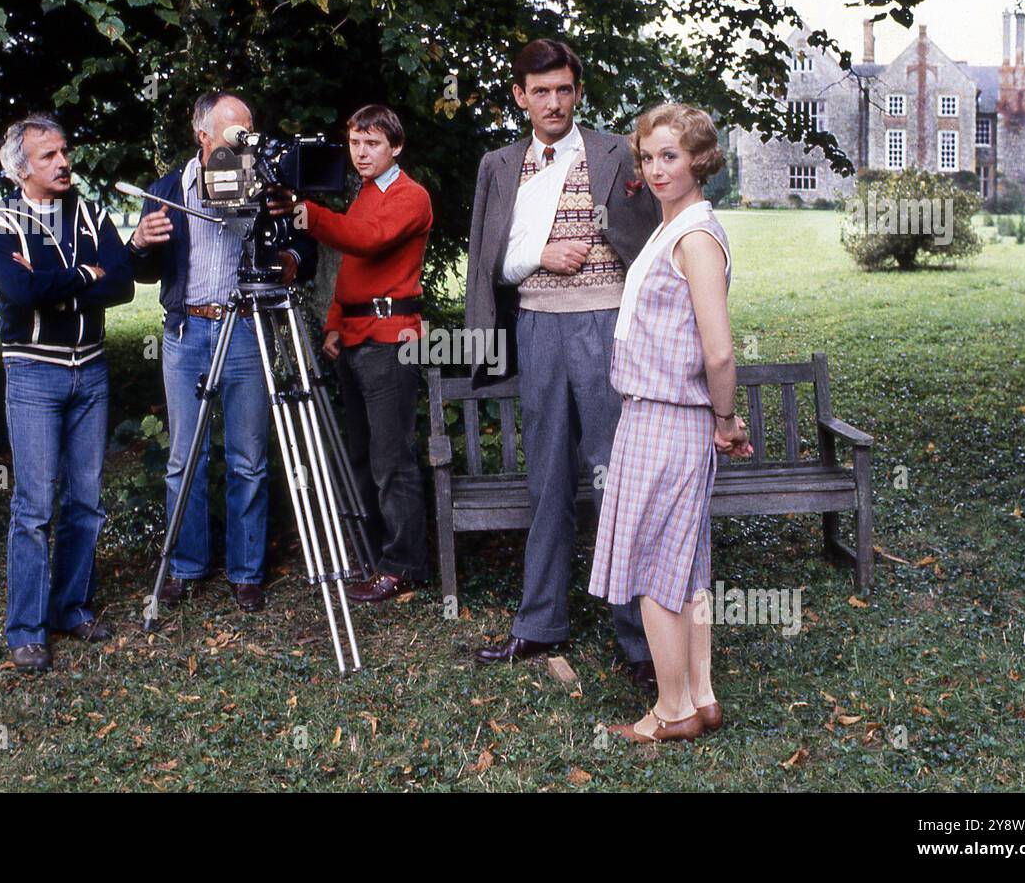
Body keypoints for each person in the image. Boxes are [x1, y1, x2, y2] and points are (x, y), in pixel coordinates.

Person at [464, 38, 659, 686]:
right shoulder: (498, 165)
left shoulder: (616, 152)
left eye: (563, 89)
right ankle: (539, 625)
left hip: (608, 327)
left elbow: (656, 238)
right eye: (539, 91)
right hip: (537, 328)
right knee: (545, 480)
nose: (553, 102)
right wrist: (538, 255)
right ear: (519, 97)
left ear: (579, 93)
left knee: (614, 481)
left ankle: (638, 639)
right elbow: (486, 259)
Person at [588, 103, 751, 742]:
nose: (657, 168)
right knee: (682, 564)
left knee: (657, 568)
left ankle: (672, 711)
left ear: (700, 160)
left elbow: (719, 351)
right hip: (654, 415)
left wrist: (726, 419)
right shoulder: (672, 227)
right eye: (649, 156)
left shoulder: (695, 237)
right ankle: (700, 697)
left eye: (672, 156)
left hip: (668, 418)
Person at [128, 91, 317, 613]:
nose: (245, 142)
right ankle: (185, 566)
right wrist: (140, 242)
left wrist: (287, 255)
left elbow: (306, 249)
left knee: (248, 460)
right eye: (235, 133)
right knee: (184, 458)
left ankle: (247, 571)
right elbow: (140, 271)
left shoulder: (268, 184)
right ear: (203, 135)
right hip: (188, 332)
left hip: (245, 332)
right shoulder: (167, 190)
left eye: (250, 131)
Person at [0, 115, 135, 672]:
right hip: (34, 373)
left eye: (65, 151)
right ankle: (25, 629)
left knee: (86, 500)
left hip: (90, 370)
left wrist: (70, 283)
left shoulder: (91, 213)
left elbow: (123, 284)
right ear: (21, 169)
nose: (64, 162)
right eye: (48, 156)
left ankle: (72, 607)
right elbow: (19, 292)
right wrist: (85, 277)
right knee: (35, 504)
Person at [269, 104, 433, 601]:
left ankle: (404, 565)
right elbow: (349, 270)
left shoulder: (412, 196)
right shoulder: (364, 192)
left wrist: (305, 210)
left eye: (373, 144)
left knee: (392, 458)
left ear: (396, 147)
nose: (362, 153)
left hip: (392, 340)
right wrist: (336, 322)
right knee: (361, 454)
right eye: (356, 144)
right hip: (359, 335)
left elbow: (365, 241)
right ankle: (375, 552)